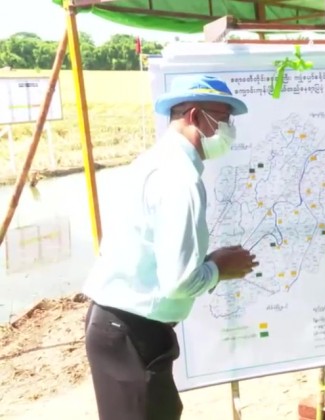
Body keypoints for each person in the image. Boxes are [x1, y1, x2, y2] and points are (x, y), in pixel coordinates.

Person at [83, 75, 259, 420]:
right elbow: (178, 281)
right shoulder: (180, 179)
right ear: (195, 116)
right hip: (133, 330)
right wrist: (220, 269)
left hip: (117, 325)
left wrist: (209, 261)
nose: (228, 130)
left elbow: (154, 252)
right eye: (223, 119)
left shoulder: (153, 162)